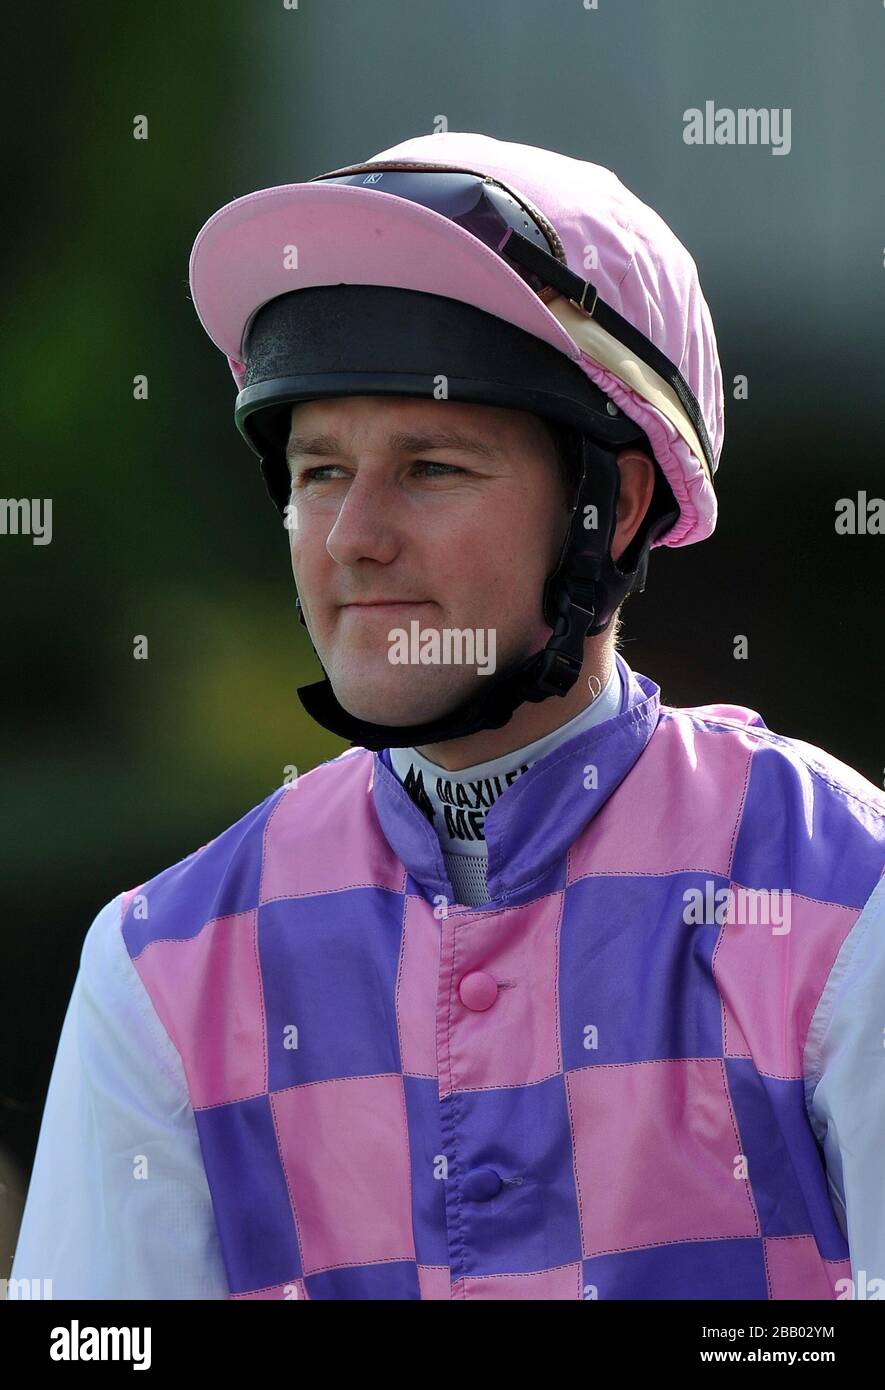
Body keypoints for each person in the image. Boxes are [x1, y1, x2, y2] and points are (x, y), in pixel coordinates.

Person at [10, 131, 885, 1302]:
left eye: (429, 466)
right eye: (321, 471)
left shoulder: (848, 892)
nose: (355, 537)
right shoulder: (155, 966)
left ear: (611, 507)